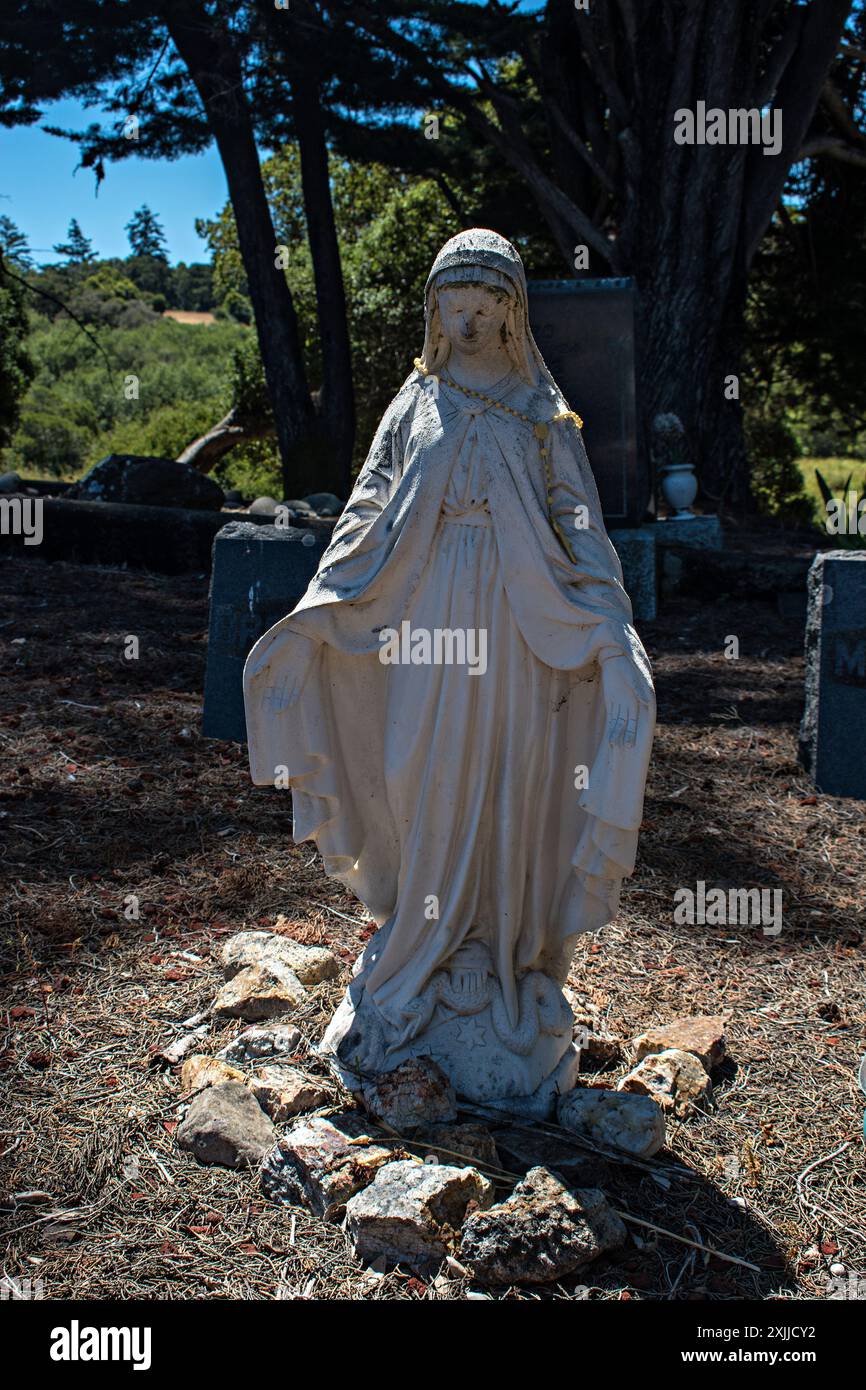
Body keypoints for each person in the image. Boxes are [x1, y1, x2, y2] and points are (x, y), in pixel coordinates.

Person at [244, 229, 655, 1109]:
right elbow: (368, 505)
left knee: (505, 778)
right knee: (415, 771)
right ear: (435, 313)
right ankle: (417, 949)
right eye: (453, 308)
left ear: (512, 312)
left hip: (516, 626)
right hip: (423, 619)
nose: (467, 323)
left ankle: (499, 960)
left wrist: (609, 617)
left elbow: (578, 520)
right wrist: (325, 600)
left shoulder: (542, 413)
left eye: (484, 306)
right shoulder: (415, 403)